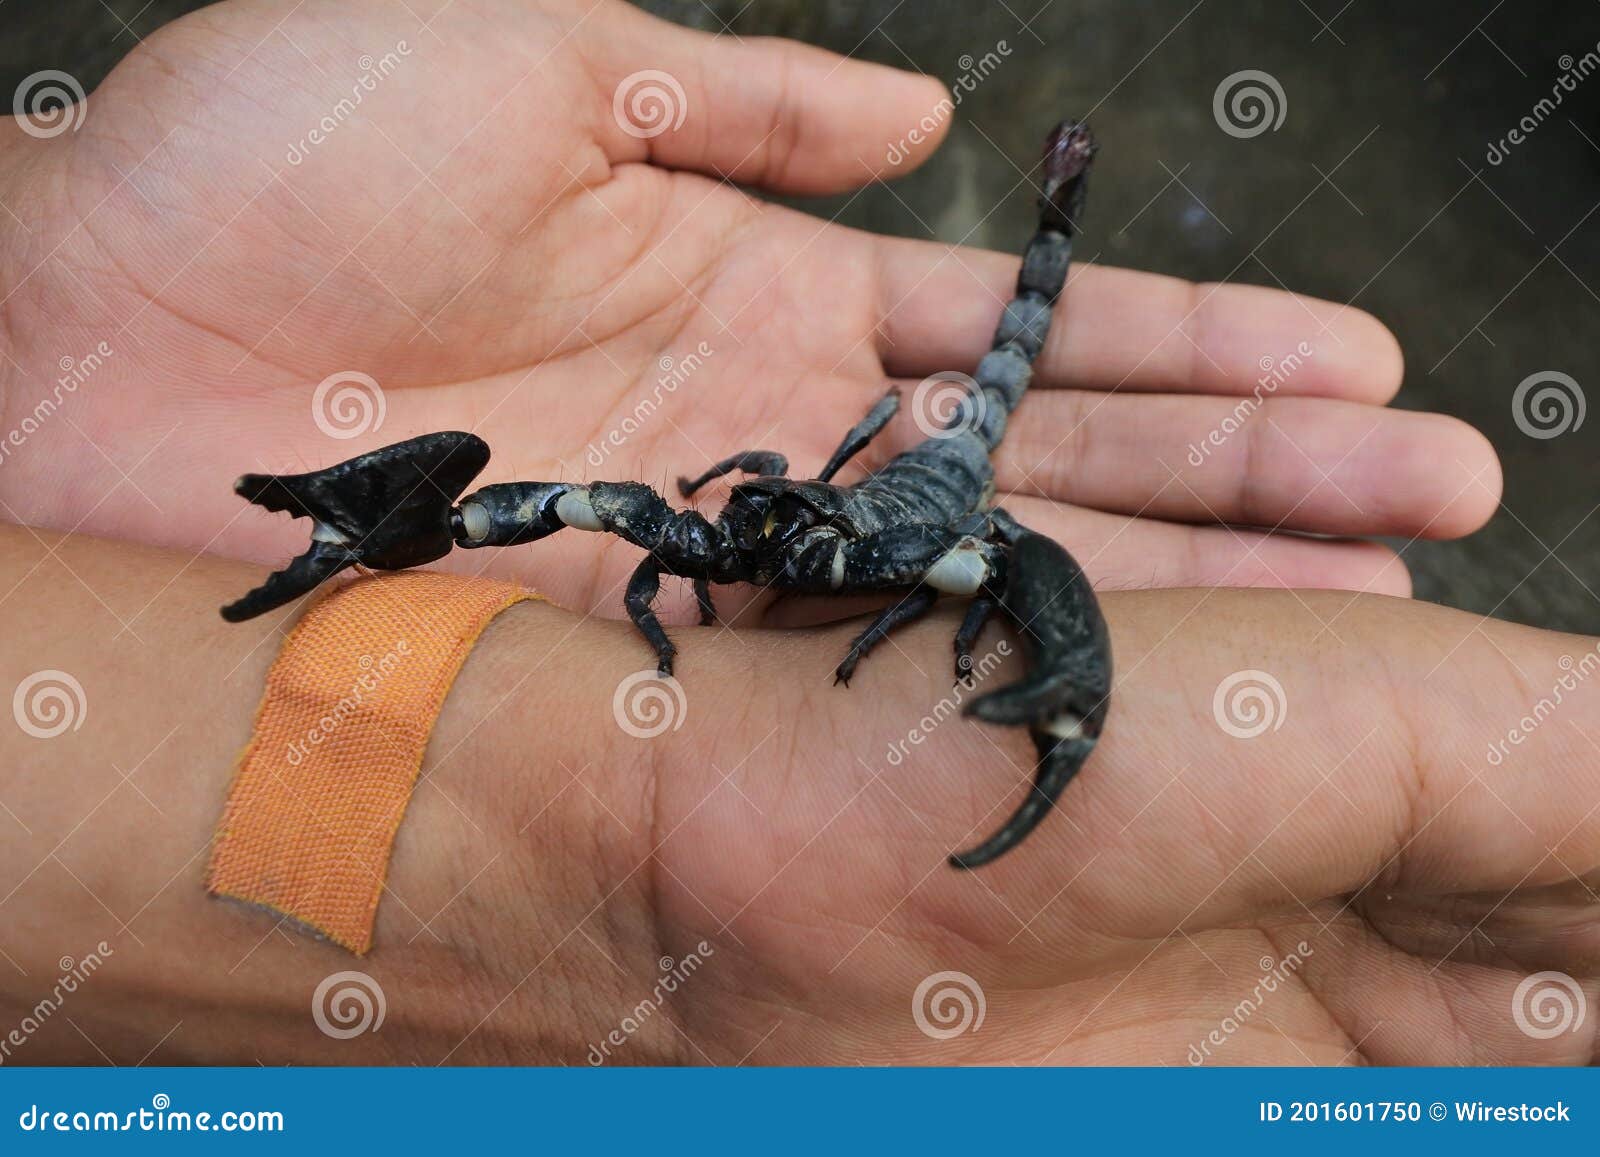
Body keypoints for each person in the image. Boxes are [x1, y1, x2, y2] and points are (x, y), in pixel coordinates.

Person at [0, 0, 1588, 1066]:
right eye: (733, 525)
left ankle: (1060, 253)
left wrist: (991, 626)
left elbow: (1008, 562)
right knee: (575, 499)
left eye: (746, 525)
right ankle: (349, 526)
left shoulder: (891, 552)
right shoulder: (742, 530)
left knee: (1003, 515)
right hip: (844, 507)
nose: (728, 540)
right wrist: (693, 560)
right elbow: (612, 523)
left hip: (915, 510)